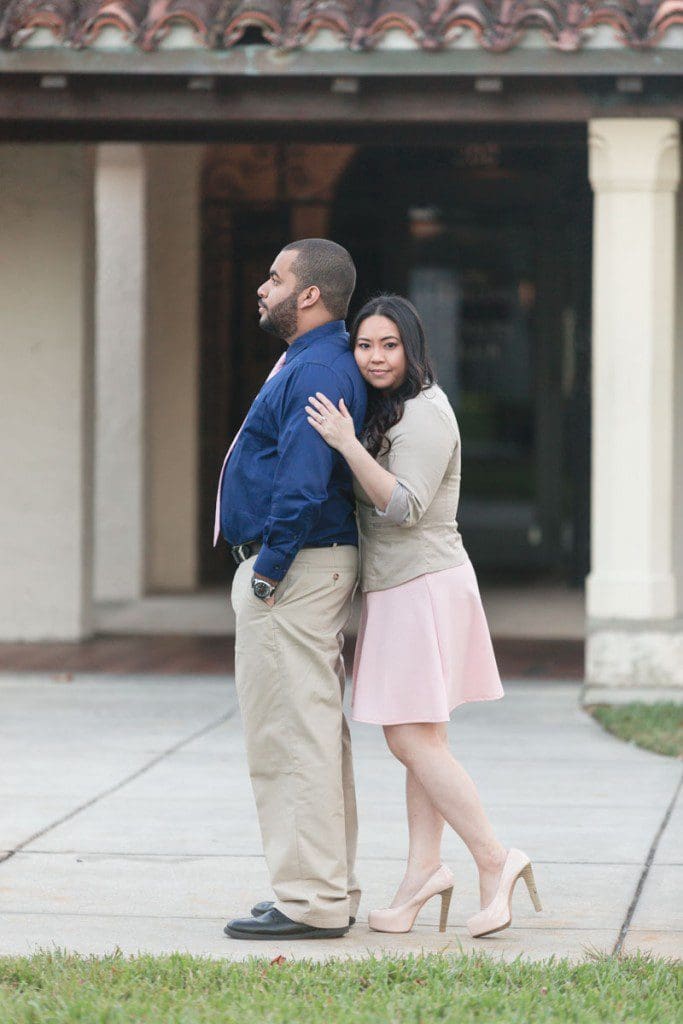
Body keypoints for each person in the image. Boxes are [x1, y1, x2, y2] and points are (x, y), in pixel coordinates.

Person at [306, 294, 542, 938]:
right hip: (400, 587)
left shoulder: (425, 413)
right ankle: (423, 874)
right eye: (364, 345)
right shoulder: (392, 409)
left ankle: (494, 859)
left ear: (412, 348)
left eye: (389, 345)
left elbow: (404, 507)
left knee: (408, 739)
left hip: (422, 586)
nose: (376, 357)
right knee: (425, 740)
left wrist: (347, 445)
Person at [215, 239, 367, 940]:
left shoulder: (317, 369)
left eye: (274, 278)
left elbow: (302, 484)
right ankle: (328, 889)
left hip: (294, 570)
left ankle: (310, 901)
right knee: (311, 733)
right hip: (305, 566)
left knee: (289, 737)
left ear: (309, 294)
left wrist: (268, 569)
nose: (262, 286)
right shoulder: (315, 360)